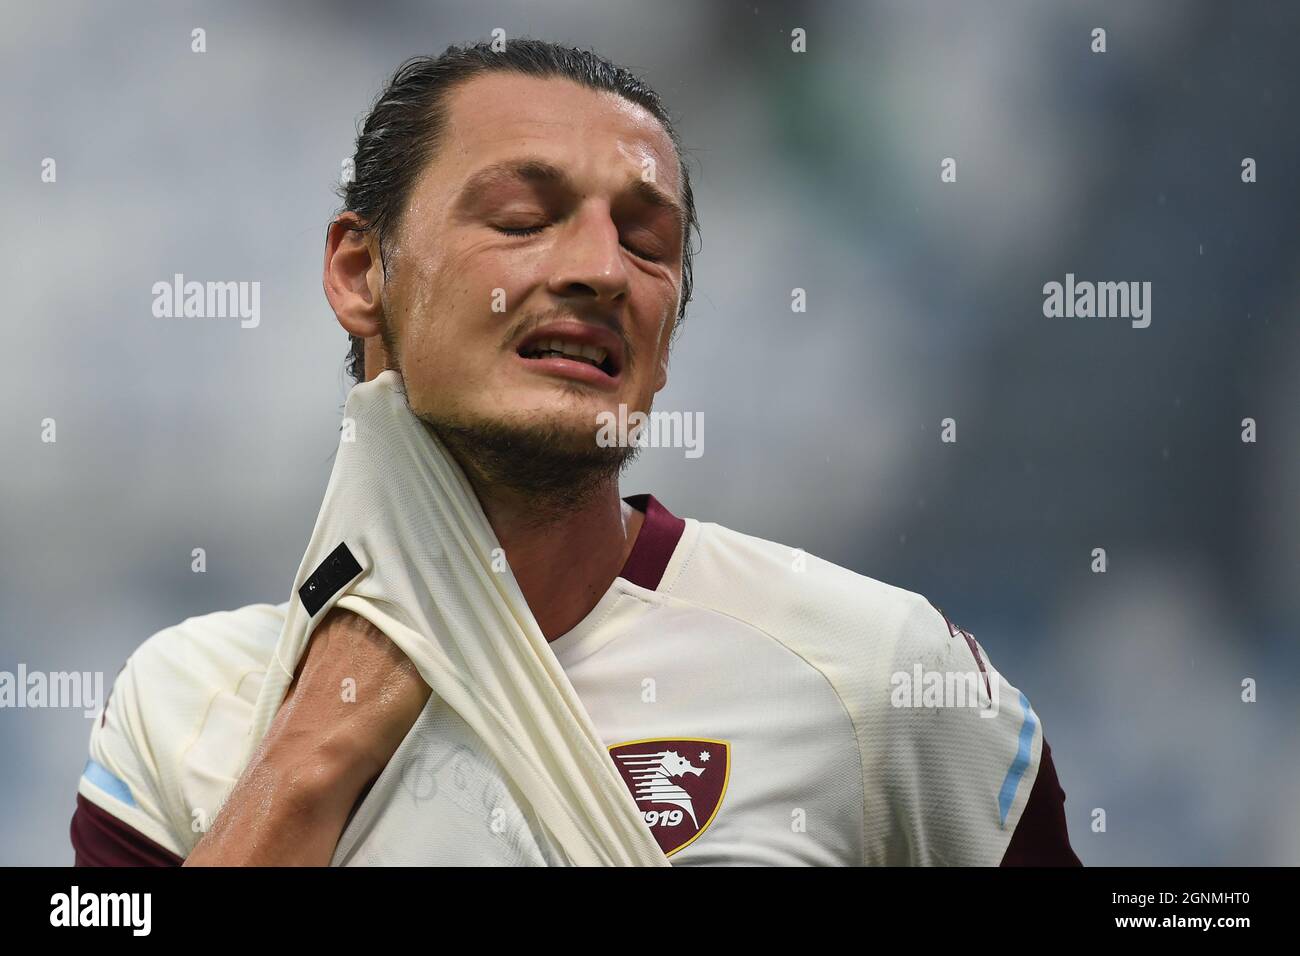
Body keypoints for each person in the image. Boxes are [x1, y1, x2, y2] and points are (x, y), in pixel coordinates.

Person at [71, 39, 1080, 866]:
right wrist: (305, 762)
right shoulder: (185, 704)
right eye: (521, 218)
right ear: (357, 270)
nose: (602, 269)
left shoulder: (872, 671)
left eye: (647, 244)